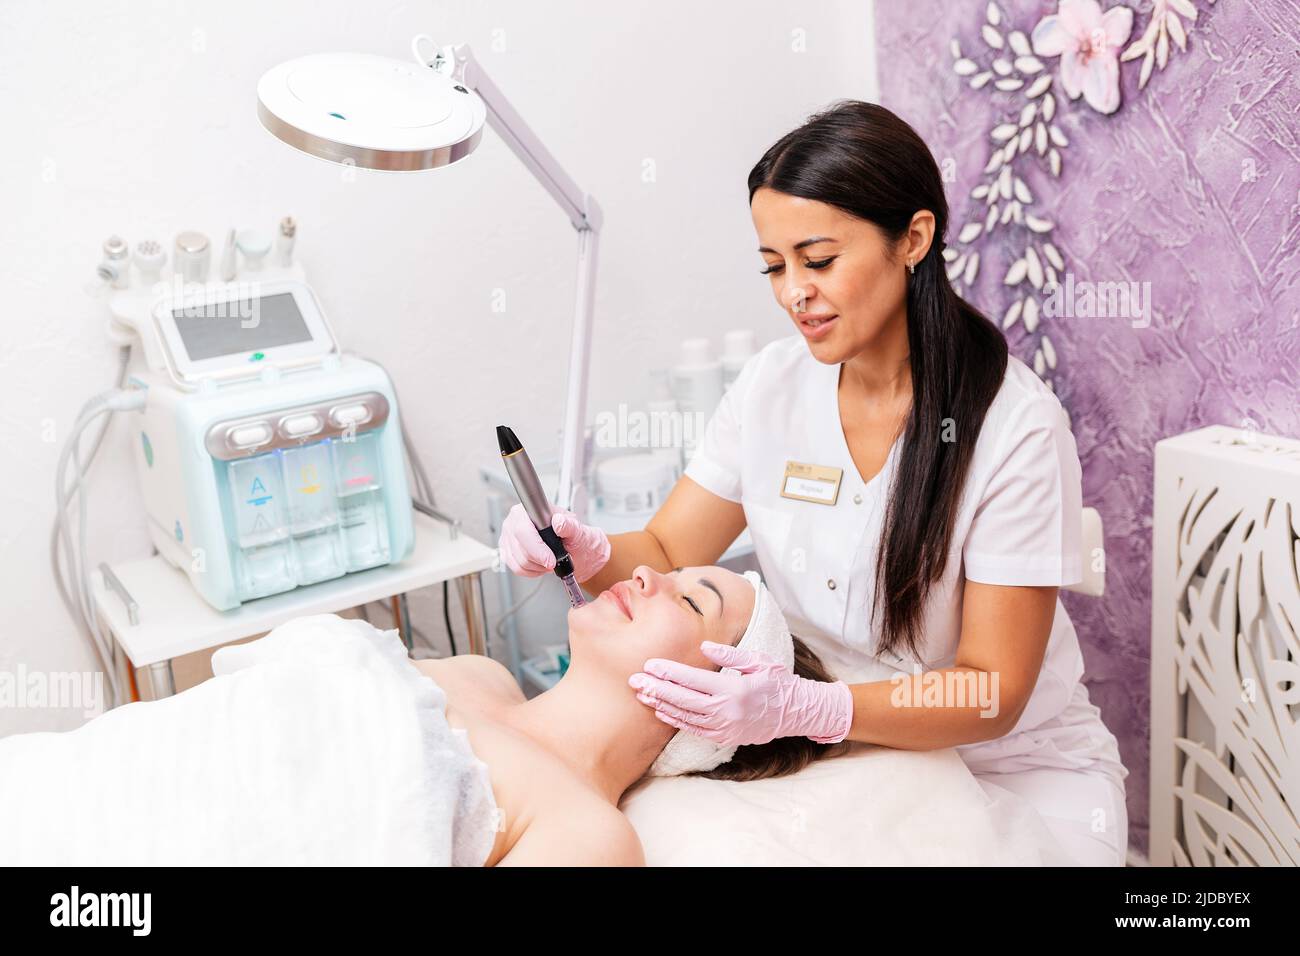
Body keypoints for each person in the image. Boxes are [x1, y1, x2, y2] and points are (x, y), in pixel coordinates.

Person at [499, 100, 1129, 866]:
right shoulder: (771, 388)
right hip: (845, 753)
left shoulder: (1014, 429)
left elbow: (989, 690)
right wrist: (576, 548)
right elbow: (667, 545)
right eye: (773, 265)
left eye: (818, 260)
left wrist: (811, 706)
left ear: (915, 239)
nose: (793, 291)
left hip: (1014, 770)